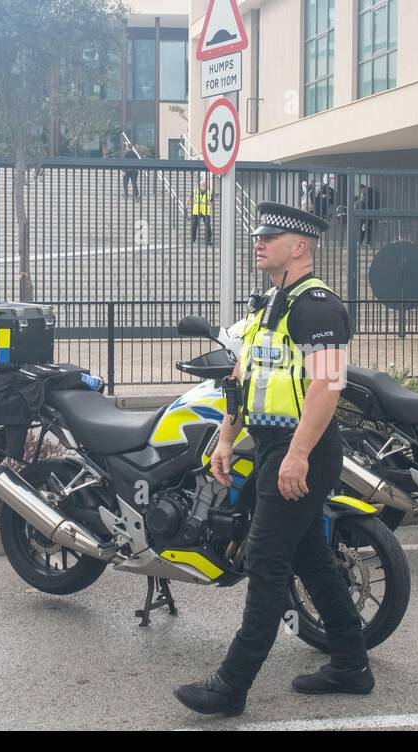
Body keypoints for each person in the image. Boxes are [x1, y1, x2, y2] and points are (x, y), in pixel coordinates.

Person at [174, 202, 369, 717]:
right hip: (272, 449)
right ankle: (351, 662)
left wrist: (298, 455)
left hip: (303, 450)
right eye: (258, 235)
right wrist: (224, 440)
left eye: (270, 236)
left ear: (299, 246)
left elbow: (328, 387)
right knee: (308, 557)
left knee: (264, 559)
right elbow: (241, 380)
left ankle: (231, 686)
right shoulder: (268, 305)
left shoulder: (318, 306)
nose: (258, 242)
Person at [190, 177, 213, 245]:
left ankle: (208, 240)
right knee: (194, 225)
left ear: (208, 185)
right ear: (199, 185)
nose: (204, 185)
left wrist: (211, 208)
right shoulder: (195, 191)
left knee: (208, 226)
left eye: (205, 184)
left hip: (206, 211)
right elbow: (189, 199)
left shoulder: (209, 192)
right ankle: (193, 238)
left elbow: (211, 202)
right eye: (203, 184)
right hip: (196, 211)